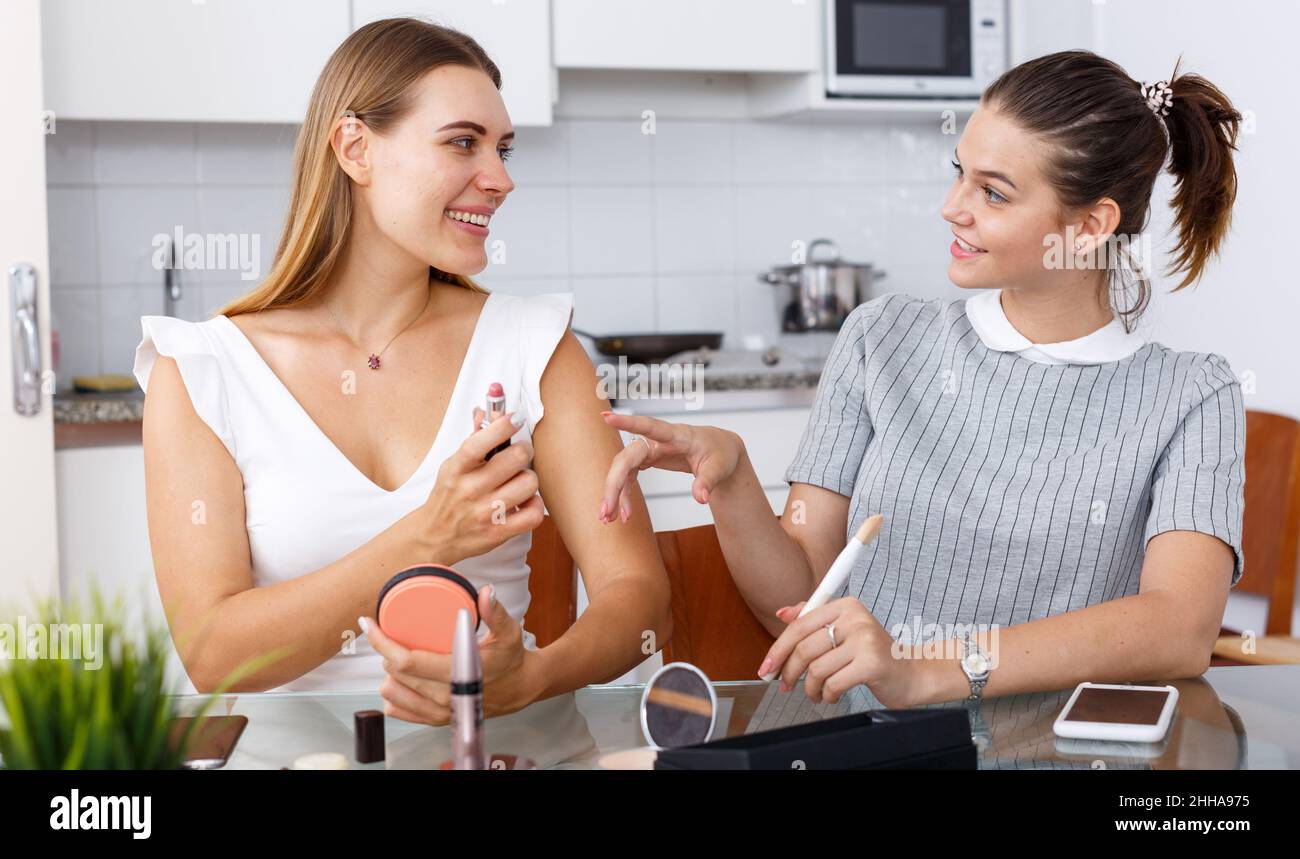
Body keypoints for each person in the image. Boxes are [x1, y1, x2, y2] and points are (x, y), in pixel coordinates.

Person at [599, 51, 1244, 710]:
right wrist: (734, 478)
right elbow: (801, 601)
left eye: (993, 192)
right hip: (868, 748)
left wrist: (929, 670)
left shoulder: (1192, 395)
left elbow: (1180, 628)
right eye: (959, 173)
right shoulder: (881, 339)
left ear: (1089, 228)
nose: (951, 207)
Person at [134, 19, 670, 723]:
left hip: (506, 748)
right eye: (462, 142)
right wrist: (428, 535)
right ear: (355, 148)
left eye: (503, 148)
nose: (501, 178)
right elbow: (213, 653)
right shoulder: (204, 371)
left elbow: (638, 592)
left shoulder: (534, 346)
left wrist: (533, 676)